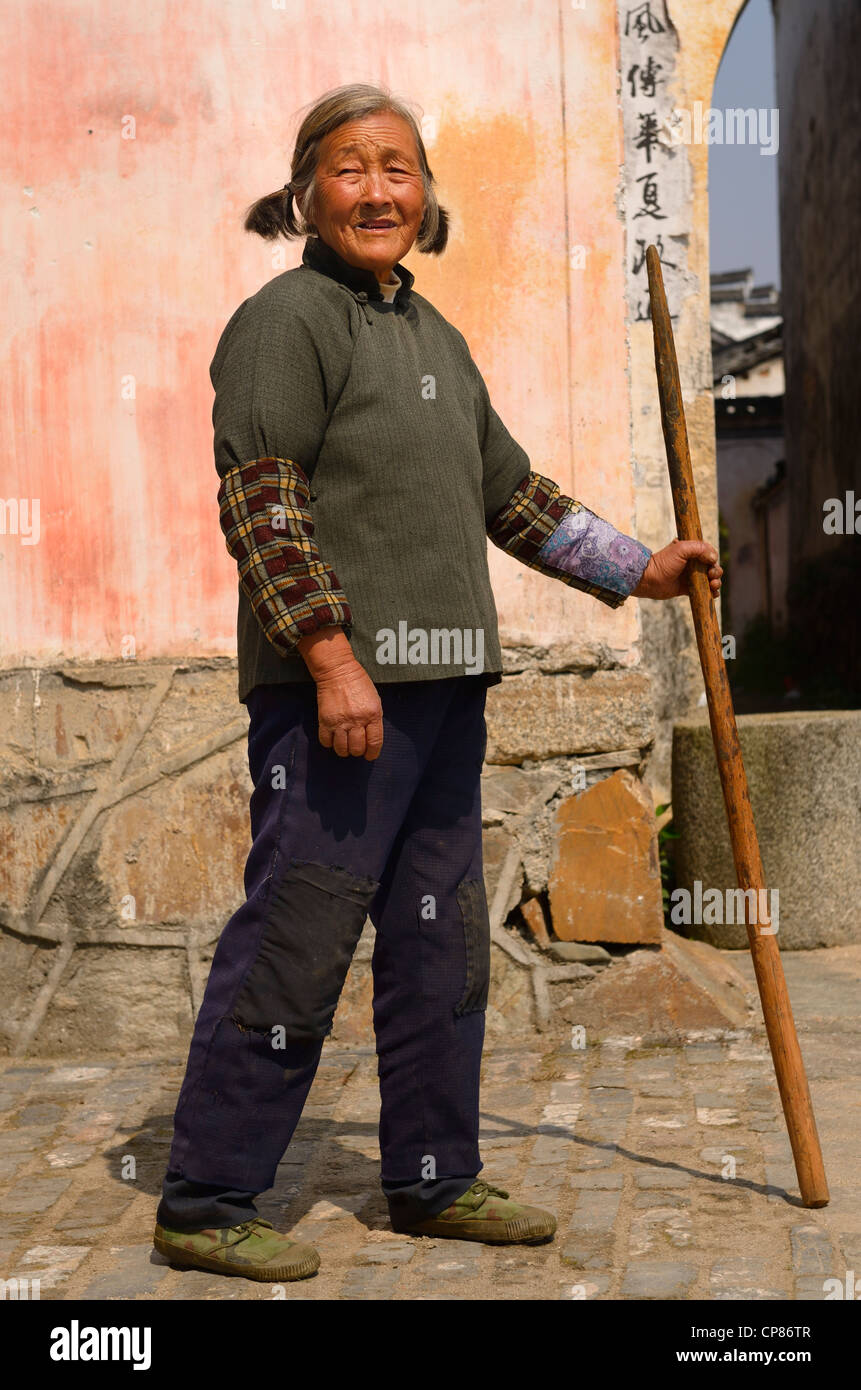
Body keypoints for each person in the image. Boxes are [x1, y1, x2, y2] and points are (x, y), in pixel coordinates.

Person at [153, 83, 722, 1283]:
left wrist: (643, 571)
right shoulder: (285, 320)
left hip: (445, 693)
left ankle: (432, 1177)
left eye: (400, 169)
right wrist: (332, 659)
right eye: (350, 168)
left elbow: (511, 497)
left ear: (425, 194)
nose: (378, 191)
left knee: (440, 943)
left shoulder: (435, 342)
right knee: (300, 939)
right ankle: (205, 1199)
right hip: (336, 707)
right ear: (304, 189)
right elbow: (262, 504)